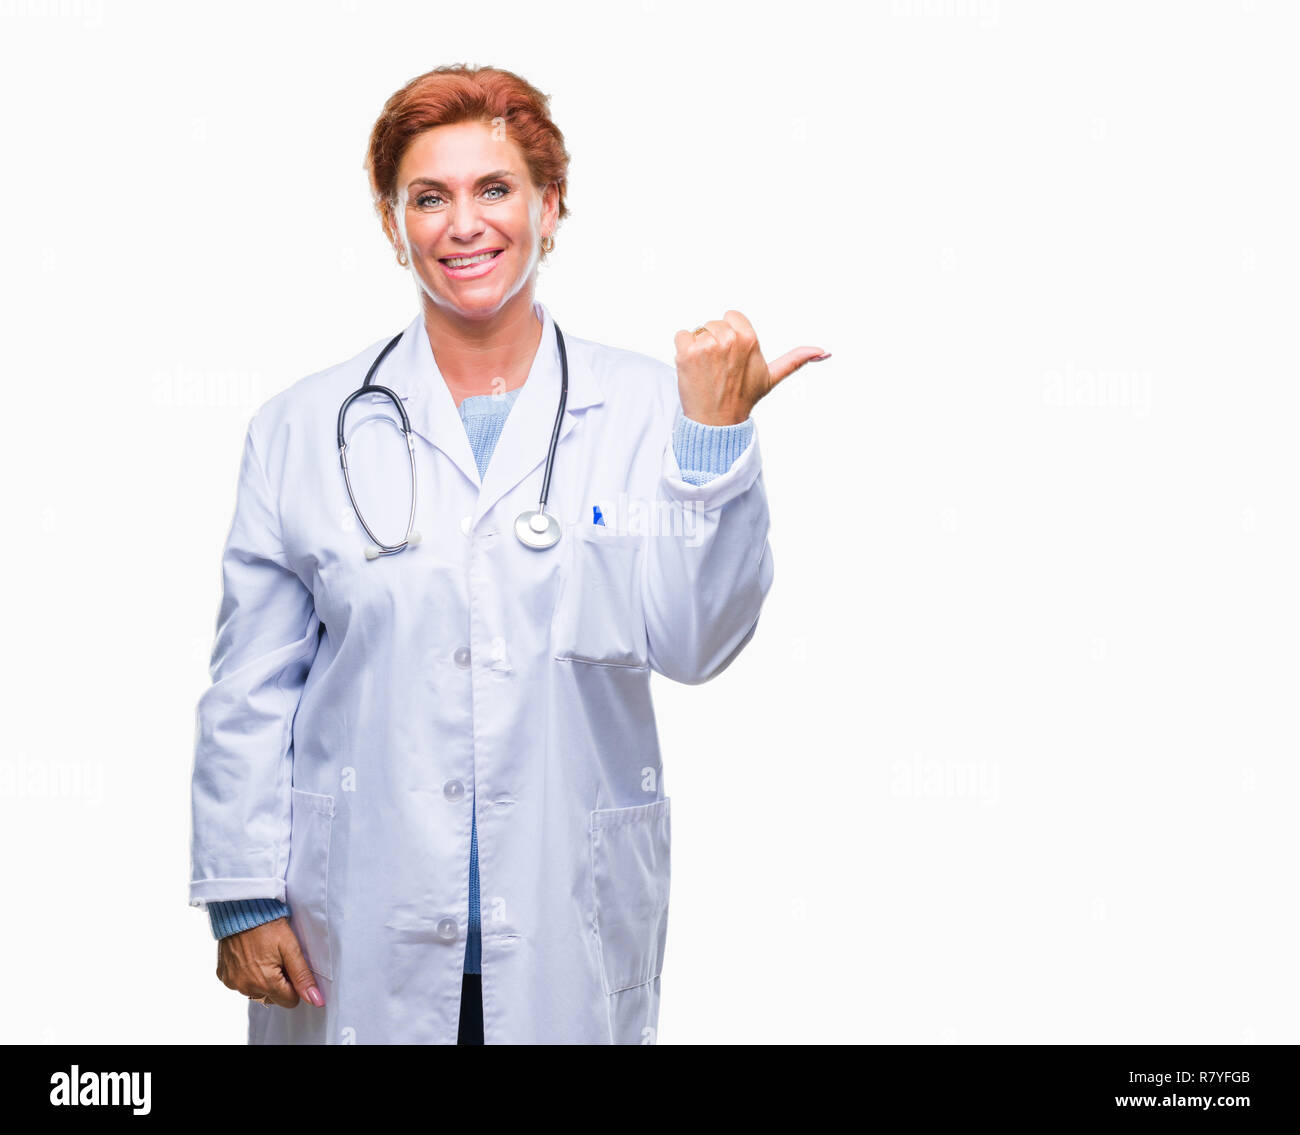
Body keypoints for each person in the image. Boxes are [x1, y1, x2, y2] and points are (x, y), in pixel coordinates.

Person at [188, 63, 829, 1045]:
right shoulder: (300, 426)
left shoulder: (655, 406)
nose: (462, 223)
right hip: (352, 927)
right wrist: (241, 893)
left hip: (566, 909)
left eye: (495, 189)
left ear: (551, 205)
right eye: (428, 196)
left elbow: (695, 643)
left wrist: (714, 435)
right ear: (391, 219)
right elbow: (251, 687)